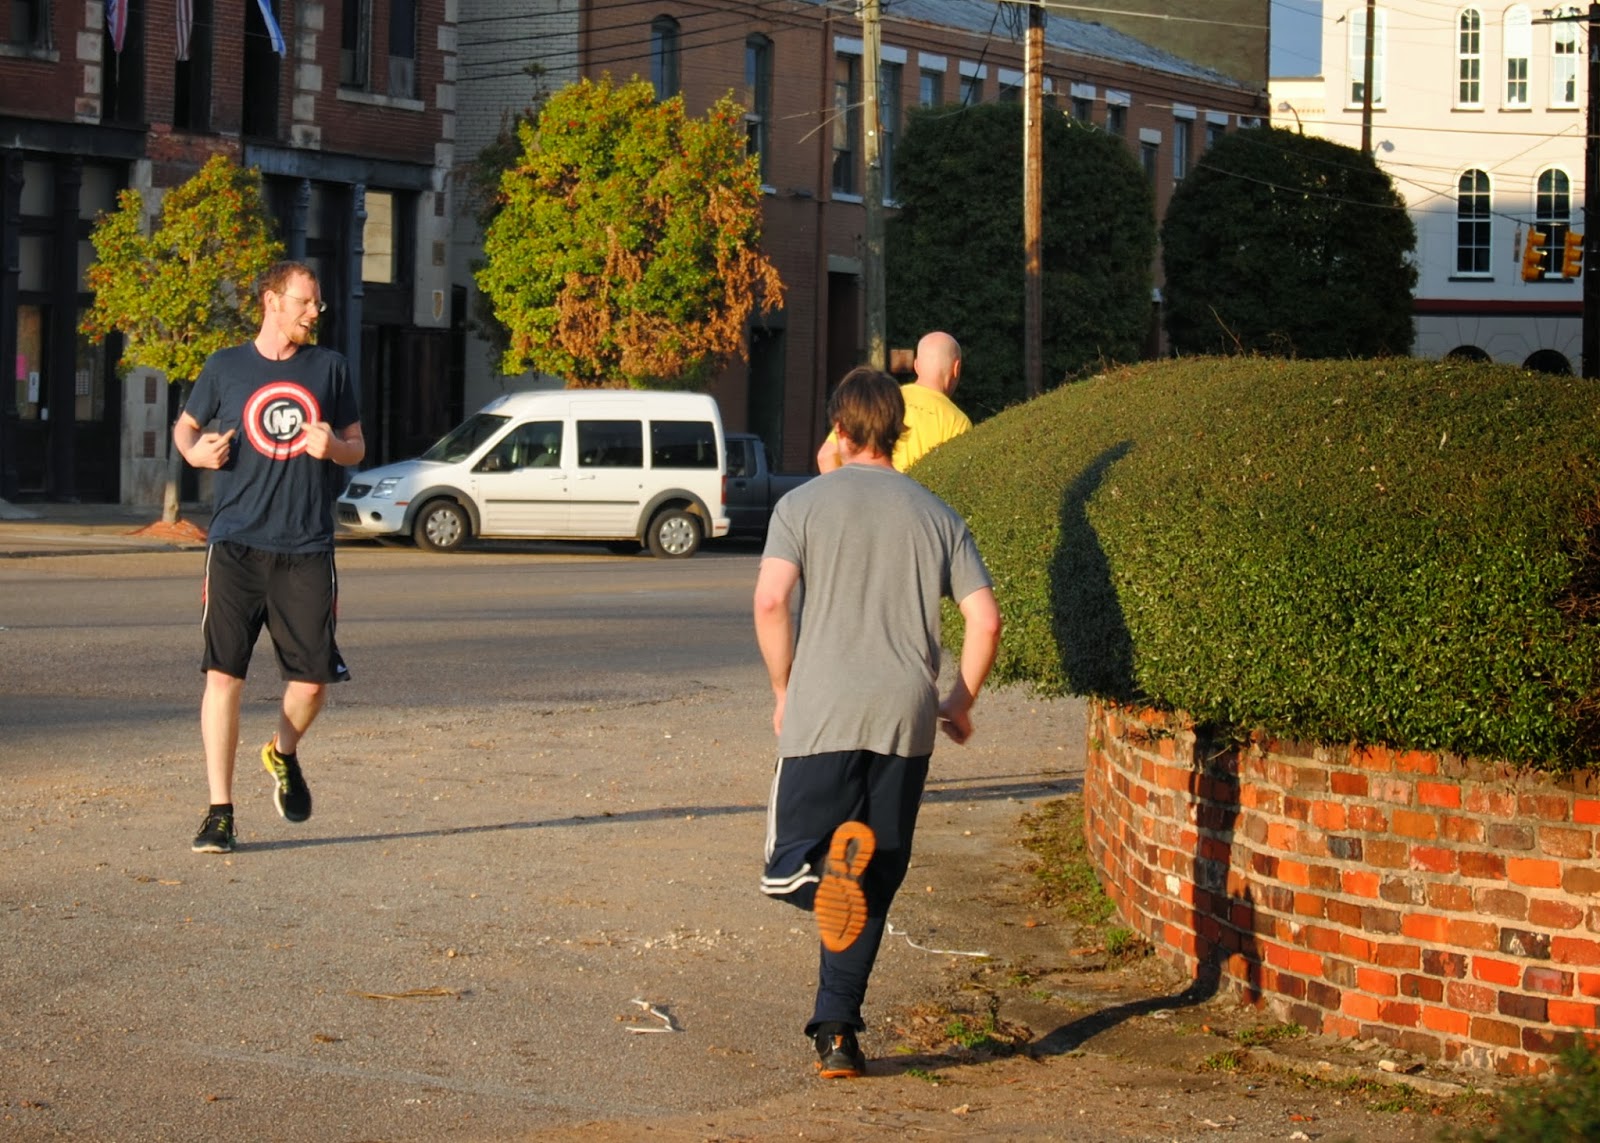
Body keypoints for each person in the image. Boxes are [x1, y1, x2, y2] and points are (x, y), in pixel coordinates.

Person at [755, 366, 1002, 1079]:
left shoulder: (802, 505)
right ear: (900, 428)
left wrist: (782, 686)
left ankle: (826, 880)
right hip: (906, 712)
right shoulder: (936, 513)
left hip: (823, 708)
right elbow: (984, 618)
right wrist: (959, 700)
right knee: (873, 876)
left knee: (790, 862)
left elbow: (771, 602)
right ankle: (837, 1033)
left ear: (837, 425)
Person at [174, 261, 365, 854]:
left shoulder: (330, 368)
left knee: (310, 685)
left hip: (305, 546)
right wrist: (194, 455)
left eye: (317, 305)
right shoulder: (225, 366)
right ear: (272, 301)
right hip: (234, 544)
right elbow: (185, 427)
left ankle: (281, 752)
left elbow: (356, 446)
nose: (314, 313)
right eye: (305, 303)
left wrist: (332, 446)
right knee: (223, 675)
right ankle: (219, 812)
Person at [815, 331, 972, 474]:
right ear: (956, 369)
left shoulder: (882, 398)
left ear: (916, 365)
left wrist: (846, 498)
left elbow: (826, 456)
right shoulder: (957, 422)